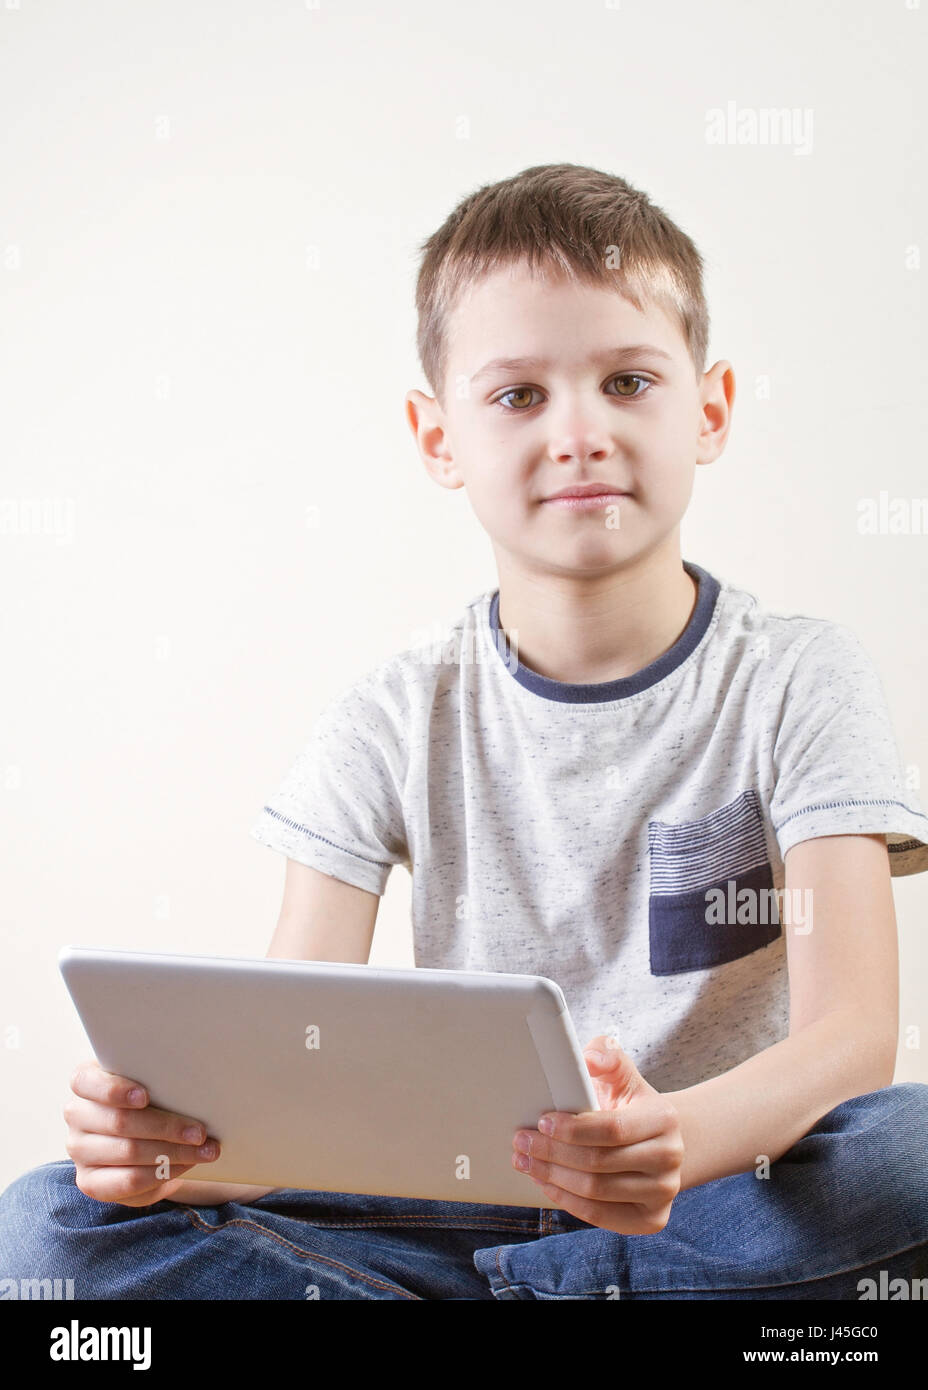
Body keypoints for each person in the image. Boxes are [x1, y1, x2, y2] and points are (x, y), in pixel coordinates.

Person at [3, 163, 927, 1301]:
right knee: (50, 1225)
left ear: (710, 409)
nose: (579, 432)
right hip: (452, 1201)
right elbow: (282, 1067)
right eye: (518, 396)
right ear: (437, 437)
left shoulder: (799, 674)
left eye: (628, 380)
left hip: (713, 1189)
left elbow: (850, 1042)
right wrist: (168, 1149)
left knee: (911, 1149)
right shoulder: (392, 713)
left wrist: (665, 1140)